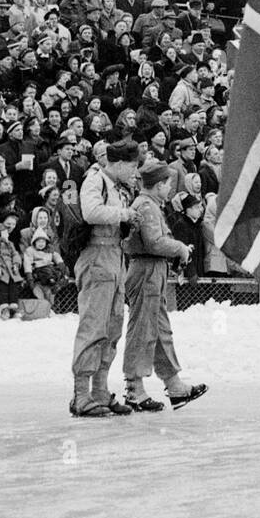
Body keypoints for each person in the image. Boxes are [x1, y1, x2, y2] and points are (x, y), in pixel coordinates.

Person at [122, 159, 205, 411]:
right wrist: (179, 247)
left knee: (160, 330)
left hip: (153, 269)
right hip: (147, 268)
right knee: (143, 329)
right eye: (168, 183)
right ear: (158, 184)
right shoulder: (146, 206)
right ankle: (133, 388)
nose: (170, 188)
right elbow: (154, 242)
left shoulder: (152, 205)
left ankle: (174, 384)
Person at [69, 138, 141, 418]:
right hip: (97, 257)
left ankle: (99, 391)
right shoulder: (94, 180)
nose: (135, 172)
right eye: (133, 166)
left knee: (112, 328)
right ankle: (81, 395)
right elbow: (91, 212)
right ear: (120, 163)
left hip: (114, 257)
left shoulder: (117, 187)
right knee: (93, 326)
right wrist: (124, 214)